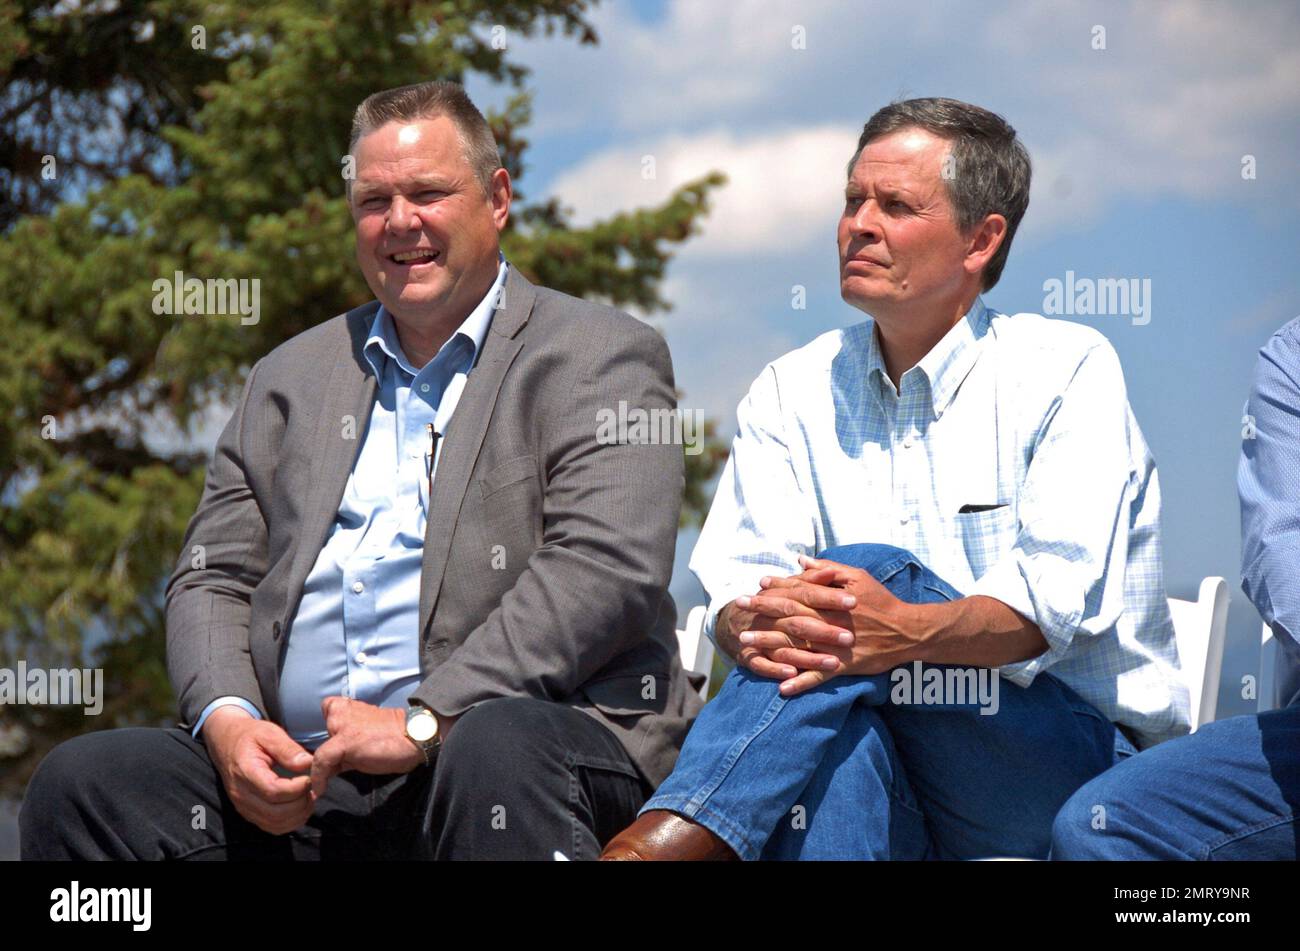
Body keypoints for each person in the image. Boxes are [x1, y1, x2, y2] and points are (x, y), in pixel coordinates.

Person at [20, 80, 700, 861]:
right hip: (307, 780)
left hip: (510, 757)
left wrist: (424, 718)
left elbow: (605, 569)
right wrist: (231, 720)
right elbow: (213, 577)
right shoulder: (291, 377)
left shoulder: (596, 355)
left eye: (428, 193)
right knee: (84, 782)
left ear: (498, 198)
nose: (400, 222)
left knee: (494, 743)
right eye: (374, 200)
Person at [601, 97, 1189, 861]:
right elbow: (741, 593)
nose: (860, 225)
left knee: (873, 576)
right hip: (874, 757)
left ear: (981, 240)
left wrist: (898, 629)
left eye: (896, 205)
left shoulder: (1066, 371)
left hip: (1057, 771)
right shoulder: (792, 386)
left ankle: (674, 838)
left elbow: (1045, 610)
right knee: (839, 750)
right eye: (853, 201)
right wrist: (740, 622)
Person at [1050, 318, 1300, 860]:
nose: (859, 228)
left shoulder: (1071, 366)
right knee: (1105, 827)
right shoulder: (1294, 357)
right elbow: (1282, 554)